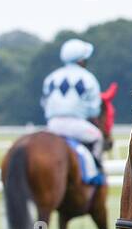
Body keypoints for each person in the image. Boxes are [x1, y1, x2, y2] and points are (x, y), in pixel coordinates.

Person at [42, 38, 105, 170]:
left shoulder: (51, 77)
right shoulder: (89, 78)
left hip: (52, 125)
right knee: (98, 138)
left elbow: (44, 103)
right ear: (81, 60)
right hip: (76, 124)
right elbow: (94, 111)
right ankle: (96, 174)